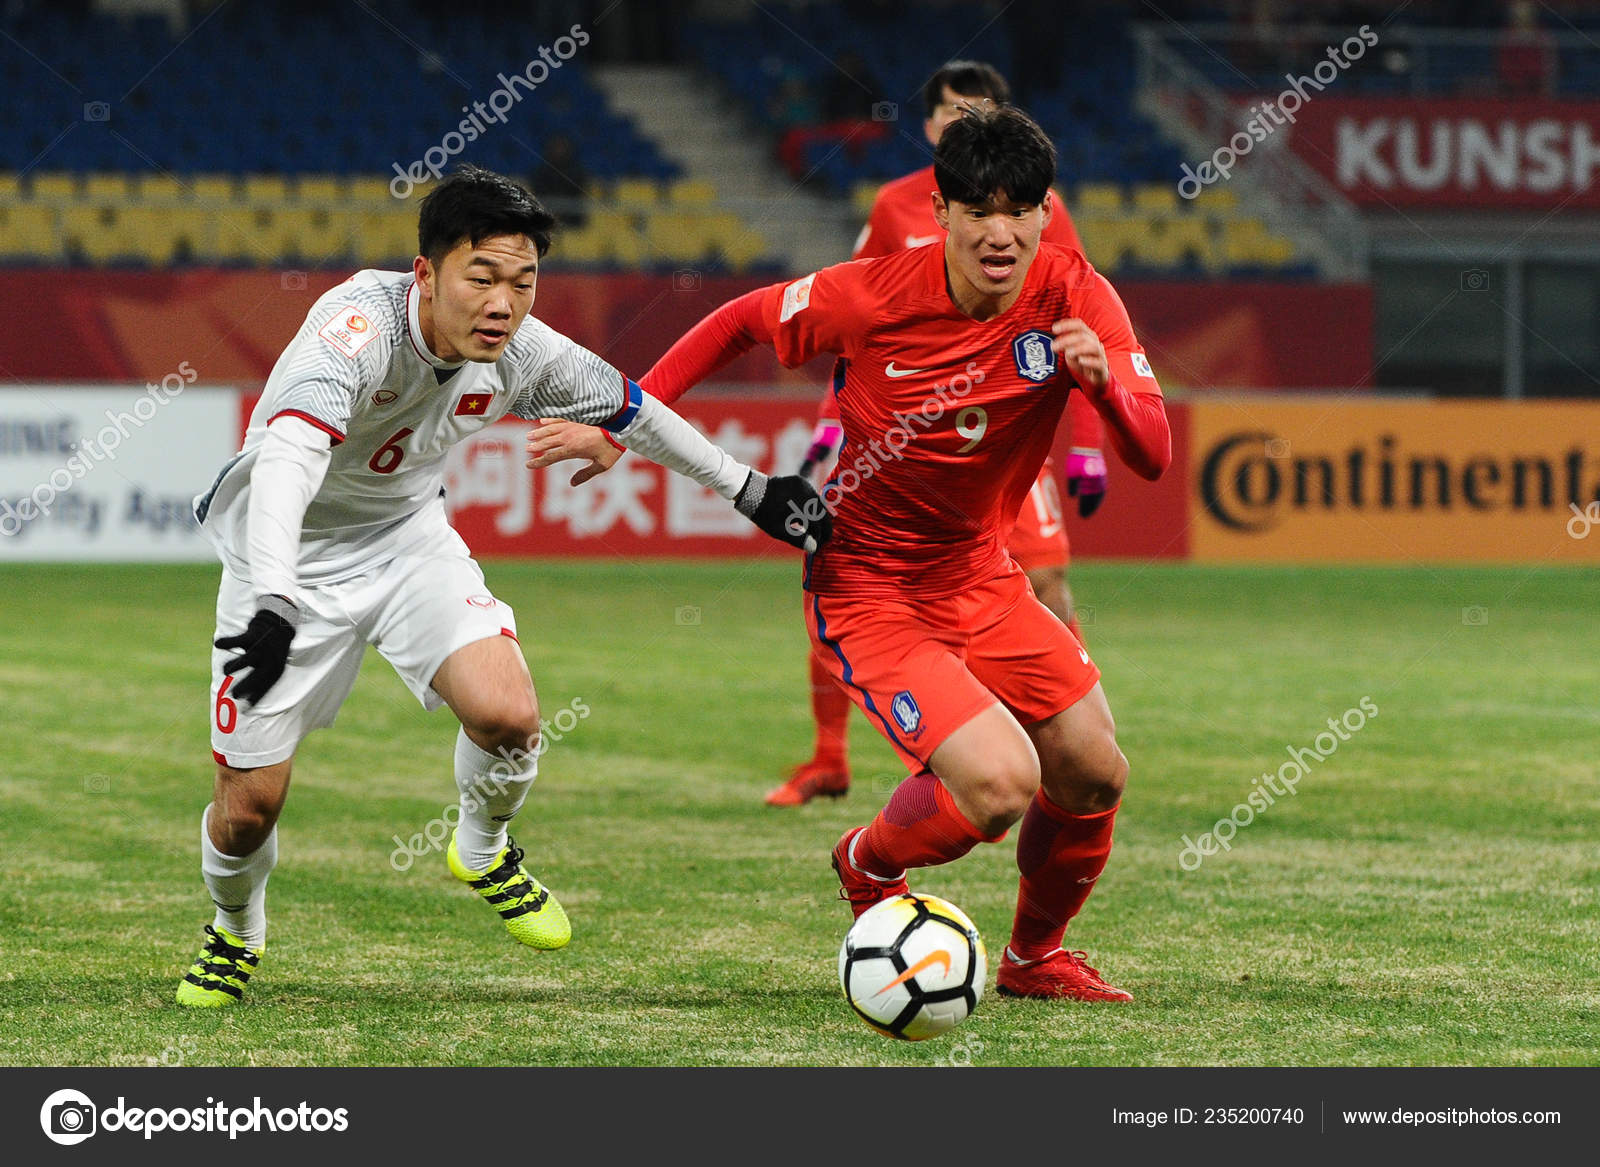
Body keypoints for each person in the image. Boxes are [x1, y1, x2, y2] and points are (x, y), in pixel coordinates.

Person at [530, 108, 1169, 1001]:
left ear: (1044, 211)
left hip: (981, 574)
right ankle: (866, 865)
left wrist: (1103, 388)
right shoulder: (871, 292)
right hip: (868, 585)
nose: (1000, 231)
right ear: (938, 211)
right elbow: (739, 321)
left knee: (1095, 770)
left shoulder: (1075, 294)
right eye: (976, 209)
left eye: (1018, 209)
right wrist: (622, 424)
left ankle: (1033, 959)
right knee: (999, 786)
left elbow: (1154, 453)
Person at [176, 165, 828, 1007]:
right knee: (247, 810)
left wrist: (752, 490)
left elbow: (632, 411)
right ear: (426, 275)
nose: (503, 303)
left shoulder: (523, 350)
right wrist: (272, 593)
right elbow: (289, 460)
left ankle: (481, 847)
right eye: (481, 278)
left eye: (523, 282)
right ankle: (235, 929)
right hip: (285, 560)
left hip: (408, 544)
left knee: (511, 715)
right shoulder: (350, 332)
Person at [769, 59, 1108, 807]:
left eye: (979, 107)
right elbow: (850, 323)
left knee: (1046, 580)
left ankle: (1058, 729)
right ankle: (836, 754)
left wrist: (1086, 438)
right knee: (849, 571)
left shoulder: (1038, 206)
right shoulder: (894, 208)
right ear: (928, 127)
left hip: (1008, 442)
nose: (963, 119)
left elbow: (1085, 325)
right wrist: (832, 433)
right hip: (909, 443)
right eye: (952, 109)